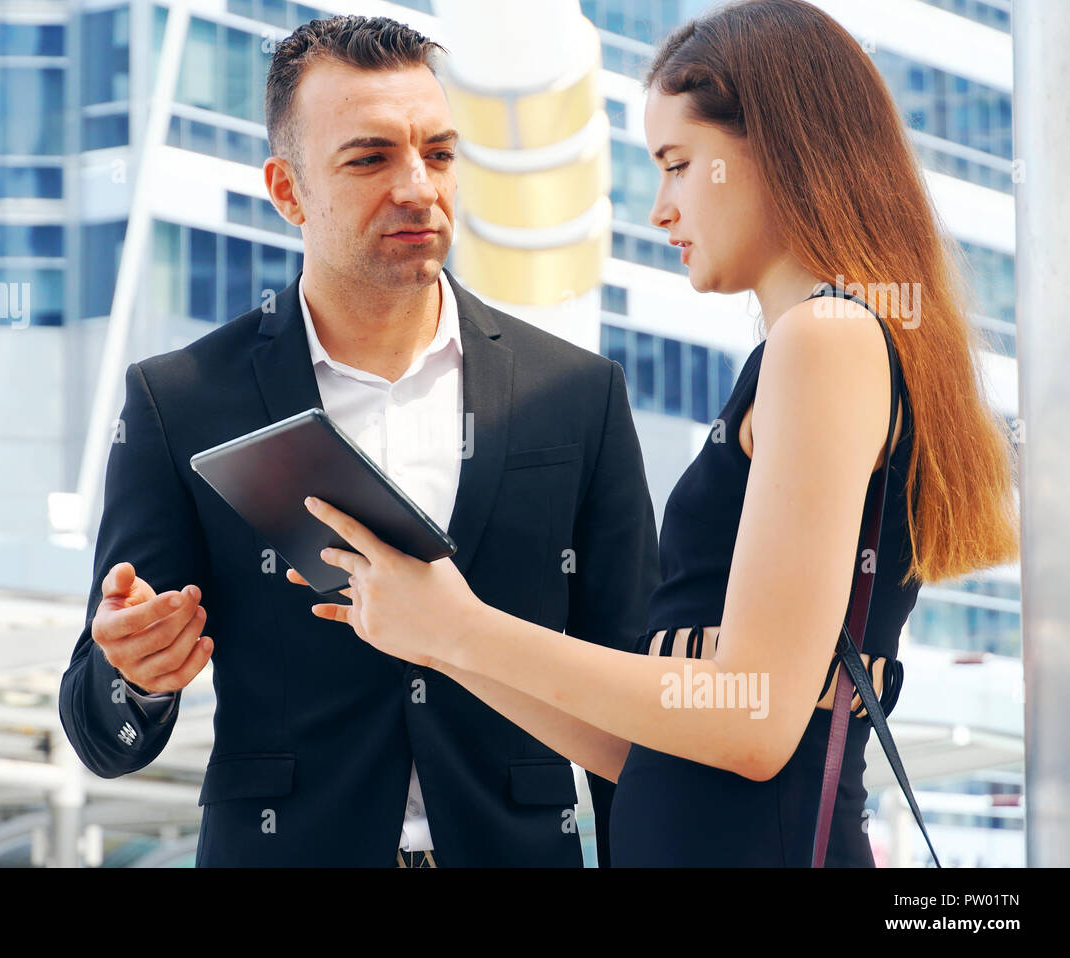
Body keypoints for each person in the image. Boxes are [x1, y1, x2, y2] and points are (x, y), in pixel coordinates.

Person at [290, 0, 1020, 866]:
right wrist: (440, 639)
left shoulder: (824, 340)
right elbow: (655, 750)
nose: (660, 210)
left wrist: (465, 632)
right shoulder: (815, 348)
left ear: (778, 150)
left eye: (678, 165)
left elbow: (753, 721)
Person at [57, 15, 663, 867]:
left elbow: (635, 692)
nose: (418, 186)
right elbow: (99, 731)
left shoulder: (577, 396)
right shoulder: (182, 400)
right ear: (287, 190)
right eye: (370, 158)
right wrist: (135, 675)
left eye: (440, 153)